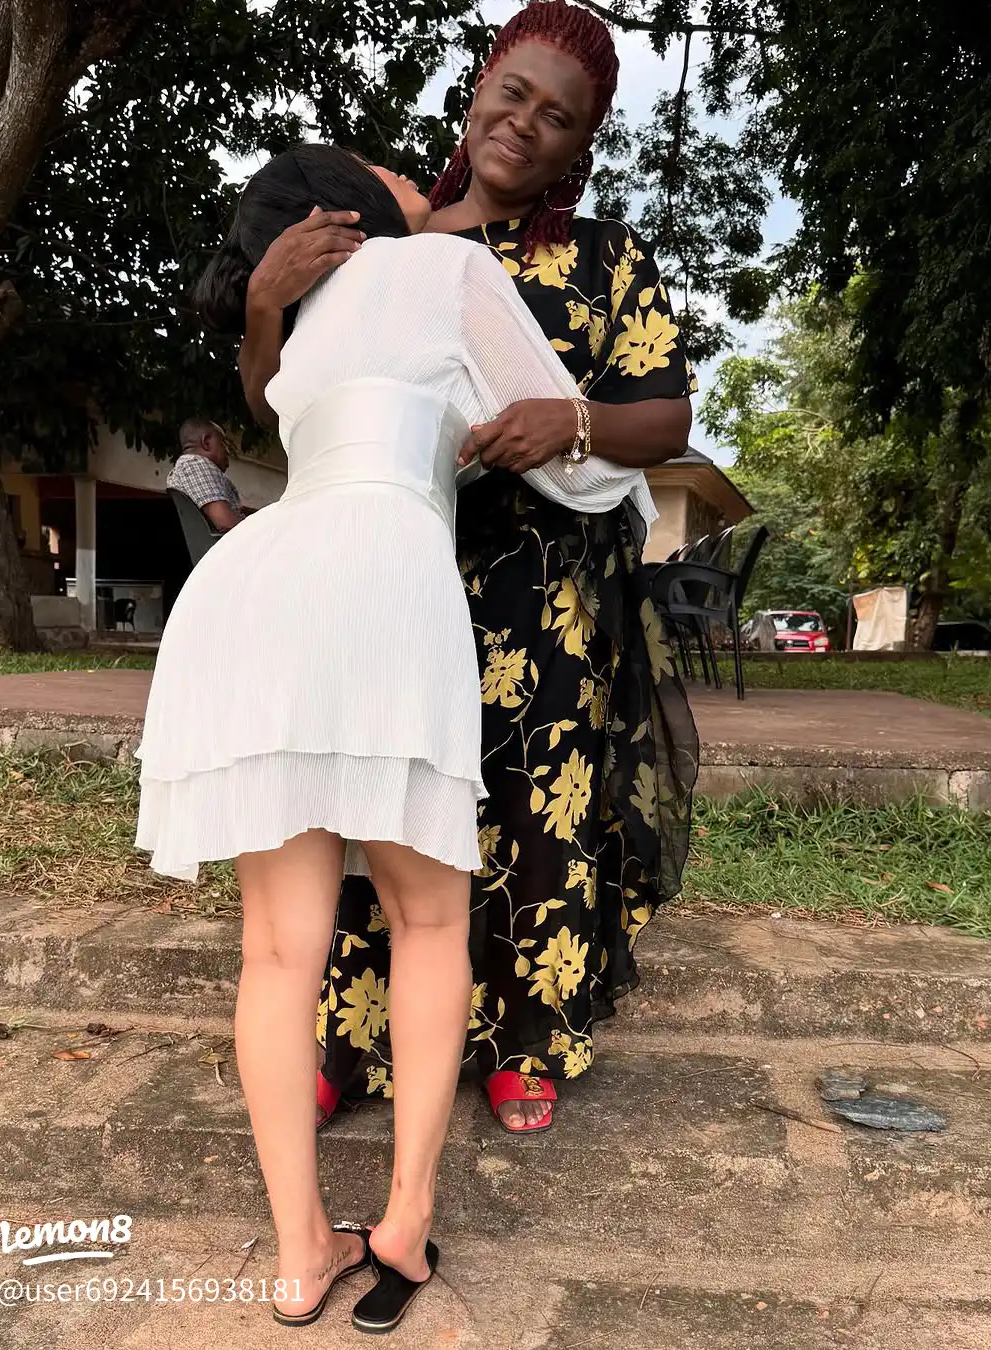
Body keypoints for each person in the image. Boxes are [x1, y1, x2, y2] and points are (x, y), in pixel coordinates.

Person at [136, 143, 655, 1332]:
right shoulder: (443, 269)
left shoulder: (298, 330)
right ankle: (405, 1221)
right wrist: (604, 478)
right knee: (429, 916)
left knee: (278, 951)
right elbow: (576, 462)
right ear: (352, 208)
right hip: (382, 582)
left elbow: (287, 428)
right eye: (376, 162)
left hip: (257, 583)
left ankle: (298, 1254)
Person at [239, 0, 699, 1136]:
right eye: (514, 92)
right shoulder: (380, 244)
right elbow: (288, 410)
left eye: (559, 117)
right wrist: (262, 305)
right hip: (396, 575)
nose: (526, 124)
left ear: (579, 146)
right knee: (370, 804)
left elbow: (667, 417)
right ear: (480, 86)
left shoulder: (602, 260)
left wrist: (572, 421)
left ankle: (522, 1042)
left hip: (542, 597)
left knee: (536, 810)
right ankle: (347, 1037)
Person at [167, 418, 245, 532]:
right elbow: (225, 522)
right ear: (206, 442)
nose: (227, 451)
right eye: (223, 443)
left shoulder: (189, 466)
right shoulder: (196, 463)